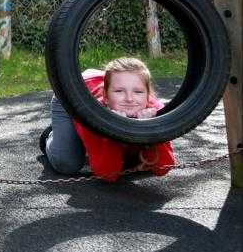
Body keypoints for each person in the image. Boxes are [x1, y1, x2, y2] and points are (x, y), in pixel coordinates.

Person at [39, 57, 175, 182]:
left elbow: (164, 167)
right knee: (67, 163)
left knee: (131, 159)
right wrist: (114, 133)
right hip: (70, 94)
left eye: (138, 92)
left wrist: (151, 132)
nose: (129, 99)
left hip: (112, 81)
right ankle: (51, 135)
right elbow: (107, 174)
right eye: (119, 92)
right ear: (106, 97)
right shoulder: (92, 112)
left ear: (147, 96)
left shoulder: (155, 109)